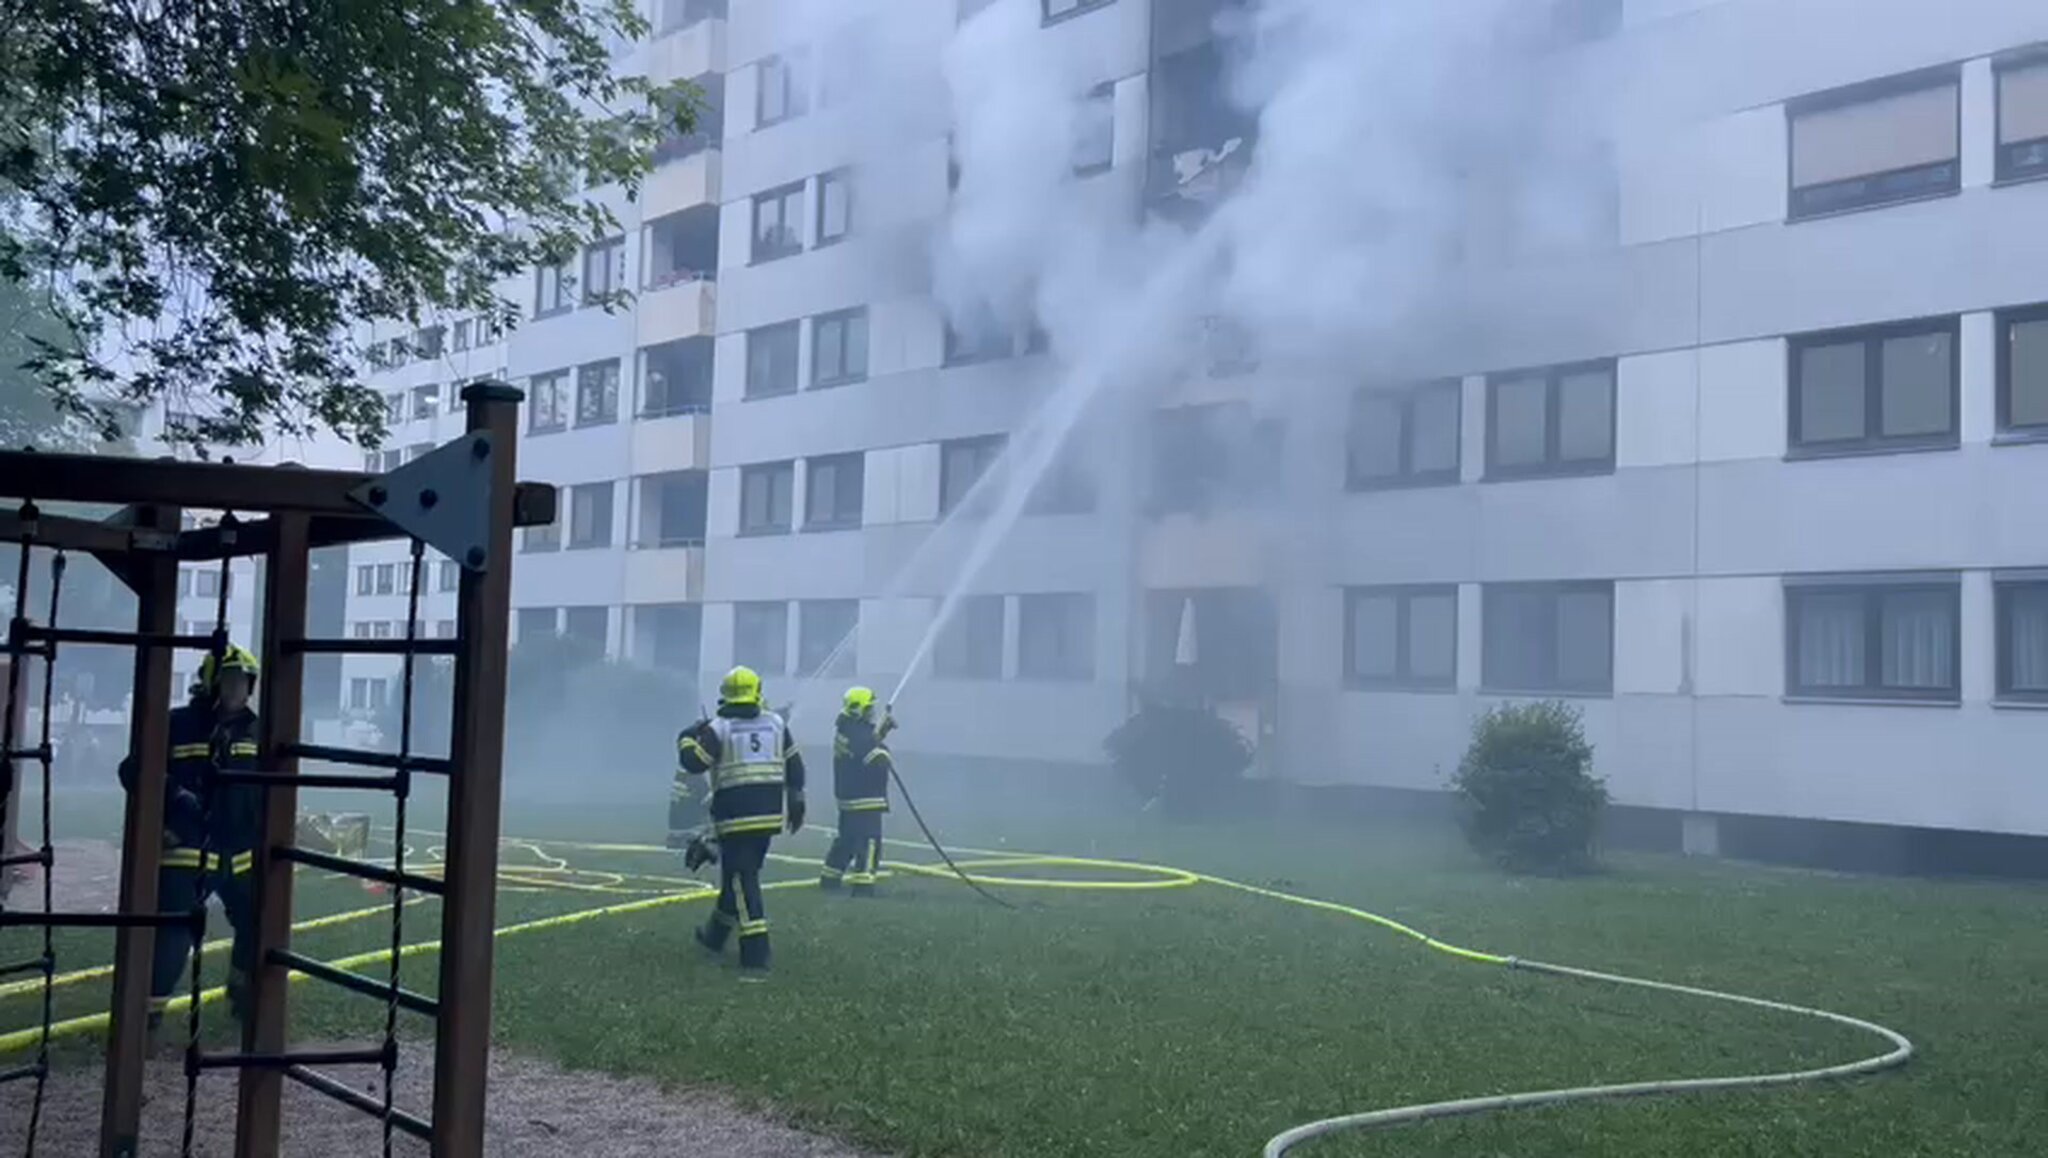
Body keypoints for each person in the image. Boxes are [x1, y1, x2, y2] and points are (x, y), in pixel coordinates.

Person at [117, 644, 263, 1044]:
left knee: (259, 921)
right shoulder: (178, 724)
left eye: (243, 681)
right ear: (211, 682)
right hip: (188, 847)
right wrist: (173, 805)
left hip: (242, 853)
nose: (237, 689)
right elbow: (133, 769)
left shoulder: (258, 731)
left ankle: (243, 994)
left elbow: (268, 791)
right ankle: (145, 1019)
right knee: (175, 934)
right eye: (230, 679)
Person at [675, 665, 805, 979]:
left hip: (734, 819)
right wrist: (797, 801)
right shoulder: (776, 723)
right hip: (768, 818)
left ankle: (756, 955)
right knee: (739, 875)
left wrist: (686, 737)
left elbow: (694, 764)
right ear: (757, 691)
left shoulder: (718, 729)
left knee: (742, 880)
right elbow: (795, 764)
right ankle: (714, 937)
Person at [820, 687, 895, 896]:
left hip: (849, 797)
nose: (871, 713)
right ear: (857, 710)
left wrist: (881, 732)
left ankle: (830, 876)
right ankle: (863, 884)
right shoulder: (858, 734)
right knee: (869, 840)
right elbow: (876, 759)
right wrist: (884, 749)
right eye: (868, 709)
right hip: (865, 798)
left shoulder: (846, 729)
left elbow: (865, 746)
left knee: (847, 840)